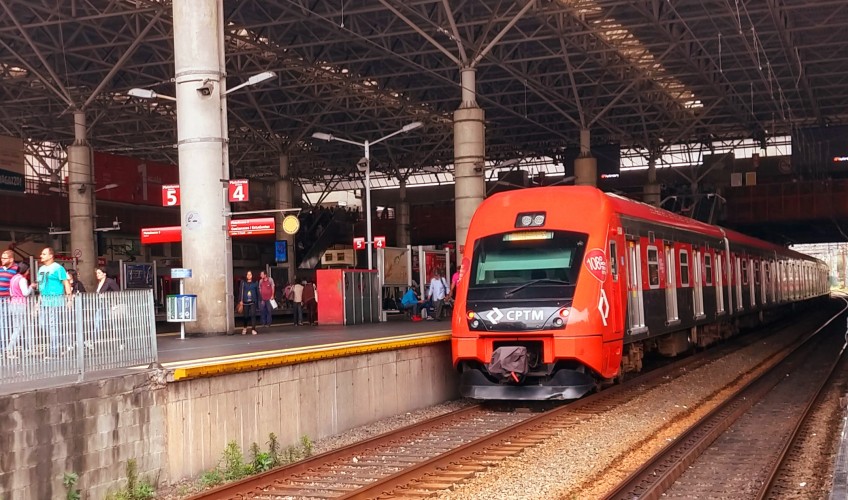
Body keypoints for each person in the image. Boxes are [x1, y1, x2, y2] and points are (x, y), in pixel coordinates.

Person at [32, 247, 70, 357]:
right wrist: (38, 302)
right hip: (44, 300)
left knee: (53, 325)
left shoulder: (58, 268)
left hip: (55, 301)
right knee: (43, 324)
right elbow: (41, 287)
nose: (41, 256)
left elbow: (66, 282)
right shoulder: (41, 269)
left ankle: (54, 349)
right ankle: (63, 341)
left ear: (50, 256)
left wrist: (69, 299)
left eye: (44, 254)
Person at [6, 262, 32, 358]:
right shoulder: (22, 279)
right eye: (28, 270)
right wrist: (31, 287)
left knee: (18, 327)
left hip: (13, 303)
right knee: (19, 329)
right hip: (20, 304)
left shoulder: (13, 278)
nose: (29, 272)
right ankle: (9, 349)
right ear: (25, 270)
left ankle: (27, 348)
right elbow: (25, 293)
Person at [91, 267, 119, 346]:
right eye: (97, 273)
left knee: (114, 323)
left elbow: (117, 292)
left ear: (104, 274)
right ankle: (94, 340)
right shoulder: (99, 283)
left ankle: (120, 340)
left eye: (99, 273)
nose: (97, 275)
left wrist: (114, 303)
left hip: (109, 305)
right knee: (98, 322)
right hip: (101, 305)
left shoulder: (110, 282)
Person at [0, 250, 18, 352]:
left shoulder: (16, 270)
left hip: (8, 300)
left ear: (11, 259)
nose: (2, 259)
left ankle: (4, 346)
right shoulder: (0, 269)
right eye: (2, 257)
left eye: (5, 258)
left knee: (5, 323)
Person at [237, 271, 260, 335]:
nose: (249, 276)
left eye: (250, 274)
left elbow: (257, 292)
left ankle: (253, 329)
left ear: (252, 275)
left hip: (253, 301)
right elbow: (241, 291)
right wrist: (240, 300)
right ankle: (245, 328)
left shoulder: (255, 282)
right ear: (246, 275)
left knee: (253, 315)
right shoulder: (243, 282)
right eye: (248, 274)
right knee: (245, 316)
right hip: (245, 302)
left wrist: (259, 300)